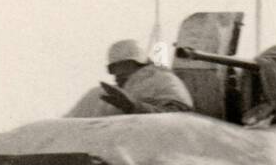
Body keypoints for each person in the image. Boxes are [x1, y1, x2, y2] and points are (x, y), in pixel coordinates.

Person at [65, 39, 193, 117]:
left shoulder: (163, 81)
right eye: (112, 69)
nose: (117, 74)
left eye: (122, 67)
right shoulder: (101, 94)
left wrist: (134, 107)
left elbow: (178, 118)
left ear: (136, 63)